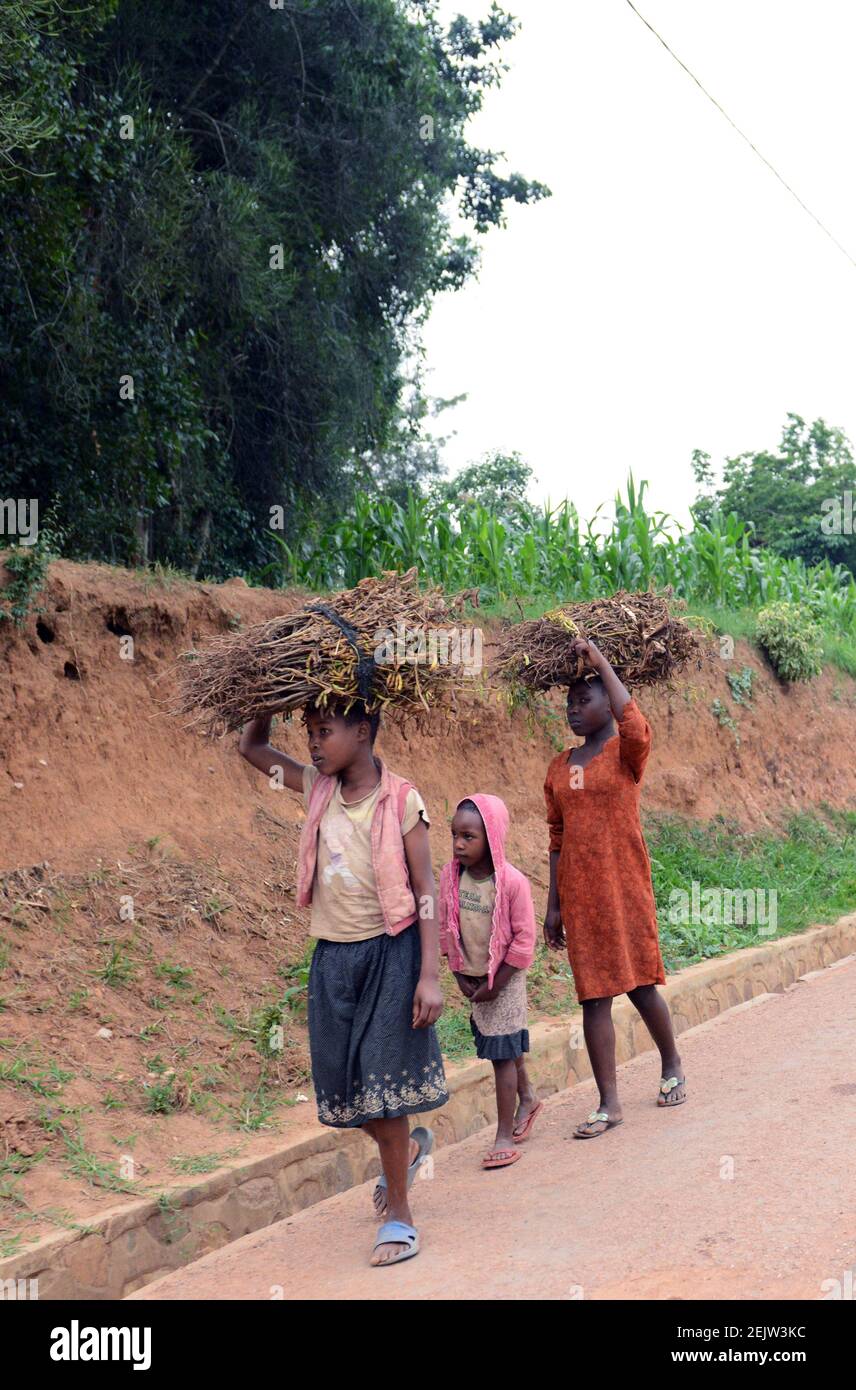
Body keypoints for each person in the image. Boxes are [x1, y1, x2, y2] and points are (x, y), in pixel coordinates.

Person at [239, 699, 446, 1265]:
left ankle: (401, 1217)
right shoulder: (316, 788)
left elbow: (427, 888)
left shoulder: (402, 799)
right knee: (346, 1089)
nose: (312, 742)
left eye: (323, 732)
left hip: (392, 954)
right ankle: (403, 1152)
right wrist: (267, 699)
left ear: (362, 732)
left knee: (382, 1087)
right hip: (333, 958)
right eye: (308, 731)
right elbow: (252, 749)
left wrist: (429, 974)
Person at [542, 637, 687, 1137]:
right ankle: (609, 1103)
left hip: (624, 886)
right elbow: (557, 838)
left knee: (642, 984)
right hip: (581, 897)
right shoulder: (560, 767)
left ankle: (672, 1064)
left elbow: (637, 724)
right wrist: (553, 907)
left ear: (607, 699)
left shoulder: (626, 753)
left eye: (585, 700)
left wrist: (600, 661)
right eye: (569, 704)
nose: (574, 711)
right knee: (593, 998)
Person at [439, 794, 541, 1168]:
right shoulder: (451, 877)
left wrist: (496, 984)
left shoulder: (512, 883)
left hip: (506, 980)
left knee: (500, 1055)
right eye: (454, 836)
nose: (459, 845)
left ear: (492, 837)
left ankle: (502, 1136)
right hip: (475, 981)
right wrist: (456, 970)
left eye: (469, 837)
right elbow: (447, 926)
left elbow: (524, 941)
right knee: (503, 1045)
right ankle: (527, 1097)